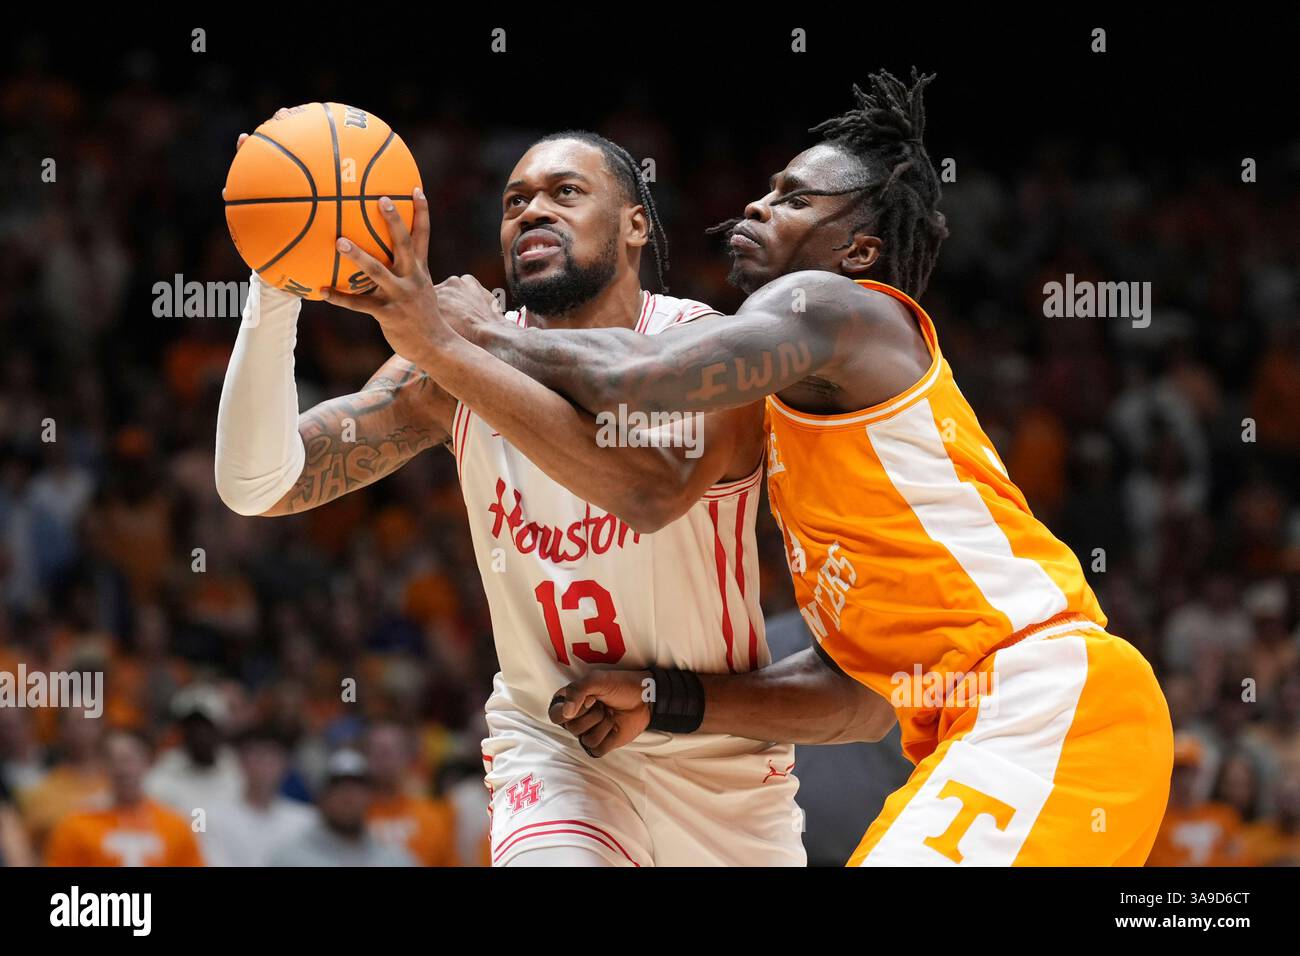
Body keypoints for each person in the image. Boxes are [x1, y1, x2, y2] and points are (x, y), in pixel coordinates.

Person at [340, 68, 1174, 866]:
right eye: (768, 188)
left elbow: (630, 376)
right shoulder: (804, 406)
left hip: (1048, 704)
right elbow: (852, 693)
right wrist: (665, 698)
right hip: (986, 728)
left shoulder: (837, 308)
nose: (758, 202)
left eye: (795, 198)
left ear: (858, 251)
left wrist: (456, 336)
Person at [217, 120, 894, 866]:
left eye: (564, 193)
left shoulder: (706, 352)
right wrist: (277, 277)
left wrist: (445, 347)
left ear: (636, 224)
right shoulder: (445, 370)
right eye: (514, 203)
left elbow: (650, 491)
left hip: (720, 765)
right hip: (556, 746)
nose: (532, 211)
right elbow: (260, 485)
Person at [45, 729, 204, 867]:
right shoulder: (76, 825)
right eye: (112, 760)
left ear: (148, 762)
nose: (122, 769)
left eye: (129, 759)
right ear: (102, 766)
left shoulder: (175, 825)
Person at [268, 750, 413, 867]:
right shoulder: (290, 858)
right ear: (322, 797)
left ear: (370, 797)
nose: (348, 797)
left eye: (356, 788)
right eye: (339, 788)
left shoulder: (394, 859)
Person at [202, 725, 314, 867]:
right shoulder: (212, 817)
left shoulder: (306, 820)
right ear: (241, 762)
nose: (265, 765)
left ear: (286, 764)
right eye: (257, 756)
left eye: (273, 756)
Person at [365, 721, 458, 866]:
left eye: (390, 751)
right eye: (377, 751)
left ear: (407, 757)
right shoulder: (352, 816)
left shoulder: (435, 815)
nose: (384, 759)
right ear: (366, 758)